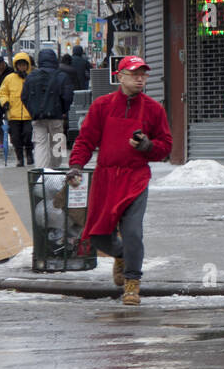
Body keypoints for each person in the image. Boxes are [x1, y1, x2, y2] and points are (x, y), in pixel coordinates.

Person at [67, 56, 171, 305]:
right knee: (98, 235)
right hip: (106, 177)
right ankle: (123, 256)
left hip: (135, 178)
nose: (140, 78)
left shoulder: (154, 109)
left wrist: (148, 145)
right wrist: (75, 166)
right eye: (135, 73)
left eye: (144, 74)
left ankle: (132, 283)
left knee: (132, 232)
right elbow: (85, 140)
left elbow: (165, 146)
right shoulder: (102, 106)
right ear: (119, 76)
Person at [22, 48, 74, 169]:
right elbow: (68, 96)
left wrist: (32, 110)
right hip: (56, 116)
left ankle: (42, 173)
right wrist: (64, 111)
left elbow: (24, 96)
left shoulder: (31, 77)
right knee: (57, 142)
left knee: (40, 144)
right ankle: (56, 169)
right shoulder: (62, 76)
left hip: (37, 117)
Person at [0, 51, 34, 167]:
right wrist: (5, 102)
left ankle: (29, 154)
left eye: (24, 65)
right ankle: (19, 158)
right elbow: (2, 93)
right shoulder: (9, 78)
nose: (22, 67)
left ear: (27, 65)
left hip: (28, 114)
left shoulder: (31, 78)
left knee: (28, 134)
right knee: (15, 138)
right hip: (13, 113)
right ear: (16, 66)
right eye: (19, 65)